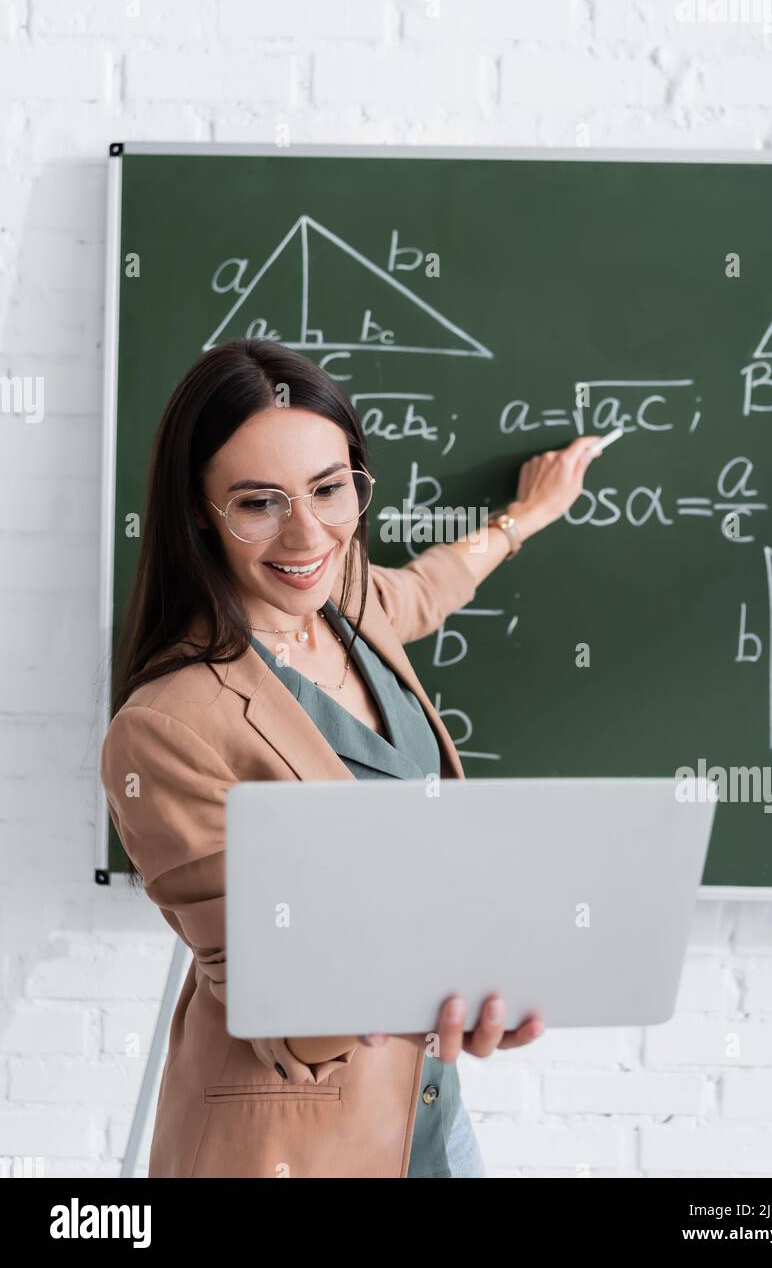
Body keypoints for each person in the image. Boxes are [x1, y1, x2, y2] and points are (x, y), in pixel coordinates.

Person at [101, 338, 602, 1178]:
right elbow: (276, 1006)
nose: (309, 534)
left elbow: (430, 587)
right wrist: (454, 978)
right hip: (293, 1143)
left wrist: (527, 516)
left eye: (331, 490)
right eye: (258, 503)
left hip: (430, 1117)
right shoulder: (165, 729)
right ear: (198, 512)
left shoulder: (350, 598)